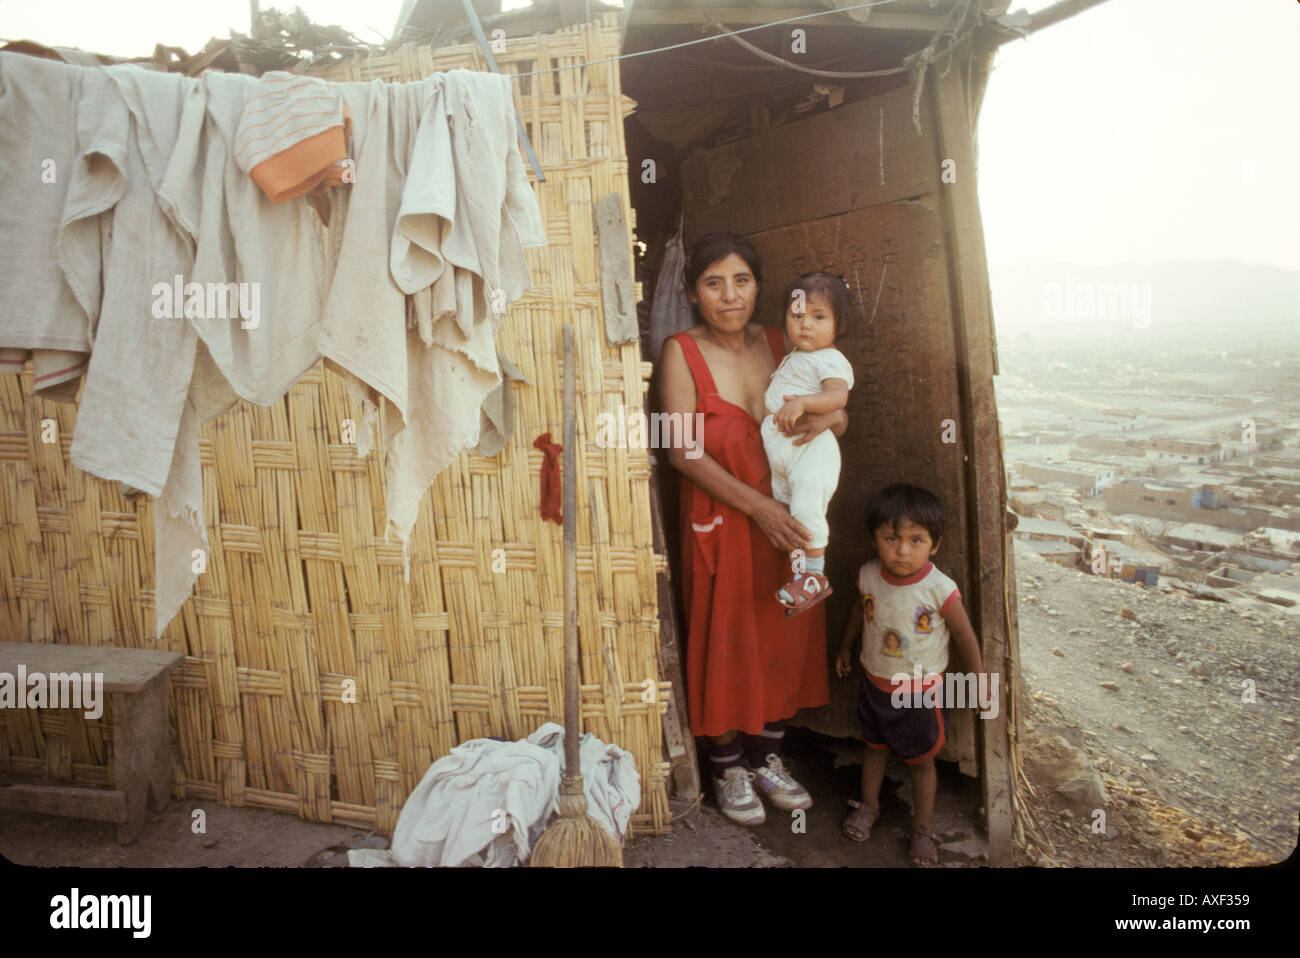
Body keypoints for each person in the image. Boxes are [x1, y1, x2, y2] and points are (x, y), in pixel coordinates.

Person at [659, 232, 848, 826]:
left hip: (787, 518)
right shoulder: (679, 352)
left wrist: (833, 416)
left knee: (781, 633)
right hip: (723, 517)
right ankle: (727, 764)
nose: (729, 294)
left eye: (741, 280)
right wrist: (757, 509)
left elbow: (833, 408)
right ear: (694, 292)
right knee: (724, 634)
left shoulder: (783, 344)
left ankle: (769, 756)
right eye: (713, 282)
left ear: (759, 288)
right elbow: (681, 452)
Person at [834, 483, 985, 866]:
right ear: (874, 539)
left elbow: (965, 637)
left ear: (935, 544)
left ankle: (922, 829)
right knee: (874, 748)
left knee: (921, 762)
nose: (902, 550)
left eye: (916, 540)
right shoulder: (867, 575)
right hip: (874, 684)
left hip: (919, 695)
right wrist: (846, 647)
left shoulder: (939, 588)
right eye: (891, 538)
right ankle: (869, 806)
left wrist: (979, 682)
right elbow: (858, 612)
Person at [762, 272, 854, 616]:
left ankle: (815, 578)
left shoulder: (831, 360)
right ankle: (802, 578)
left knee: (806, 512)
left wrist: (802, 403)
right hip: (788, 453)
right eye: (796, 315)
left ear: (838, 325)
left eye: (818, 317)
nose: (805, 325)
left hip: (811, 453)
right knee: (792, 519)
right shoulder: (798, 355)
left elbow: (837, 395)